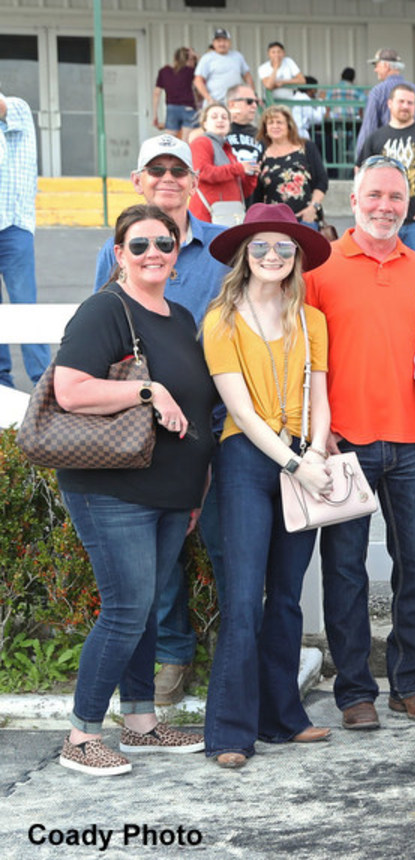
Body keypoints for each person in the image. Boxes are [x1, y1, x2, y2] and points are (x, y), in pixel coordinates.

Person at [55, 204, 216, 776]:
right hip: (112, 490)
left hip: (171, 493)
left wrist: (195, 488)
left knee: (145, 609)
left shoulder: (180, 316)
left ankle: (141, 723)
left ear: (177, 255)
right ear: (119, 254)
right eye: (140, 245)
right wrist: (148, 391)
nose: (154, 254)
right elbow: (71, 390)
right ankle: (81, 737)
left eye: (164, 244)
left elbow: (197, 405)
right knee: (125, 610)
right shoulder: (105, 310)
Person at [303, 157, 415, 731]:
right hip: (345, 443)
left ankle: (410, 683)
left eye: (396, 197)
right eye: (375, 195)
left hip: (413, 440)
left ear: (408, 204)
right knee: (345, 571)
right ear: (353, 199)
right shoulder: (320, 267)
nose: (385, 206)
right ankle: (354, 690)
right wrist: (321, 432)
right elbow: (303, 359)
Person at [93, 134, 230, 706]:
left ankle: (236, 659)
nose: (169, 177)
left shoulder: (223, 248)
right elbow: (103, 335)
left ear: (195, 181)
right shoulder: (116, 250)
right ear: (138, 179)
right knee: (159, 560)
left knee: (229, 548)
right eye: (157, 169)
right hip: (149, 432)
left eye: (179, 169)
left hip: (222, 425)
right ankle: (173, 655)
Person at [201, 203, 334, 769]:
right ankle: (230, 732)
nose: (272, 255)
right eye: (261, 246)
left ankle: (282, 717)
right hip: (247, 460)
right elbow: (240, 411)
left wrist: (317, 450)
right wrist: (295, 464)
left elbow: (320, 394)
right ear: (244, 254)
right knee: (243, 599)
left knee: (285, 596)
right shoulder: (221, 319)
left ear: (296, 256)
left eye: (284, 247)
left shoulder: (311, 318)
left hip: (304, 457)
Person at [356, 83, 415, 264]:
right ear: (390, 104)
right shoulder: (375, 138)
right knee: (382, 271)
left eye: (410, 103)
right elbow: (360, 174)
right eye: (401, 101)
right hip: (383, 221)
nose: (406, 106)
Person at [0, 89, 51, 389]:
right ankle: (1, 380)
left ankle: (43, 381)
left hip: (13, 224)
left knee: (25, 305)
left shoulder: (17, 107)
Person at [253, 106, 328, 229]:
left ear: (289, 126)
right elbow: (257, 193)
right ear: (265, 128)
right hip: (272, 222)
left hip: (304, 219)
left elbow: (322, 181)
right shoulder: (262, 153)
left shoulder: (306, 147)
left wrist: (313, 208)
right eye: (270, 123)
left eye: (279, 122)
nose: (275, 126)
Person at [188, 102, 258, 224]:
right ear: (205, 124)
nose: (220, 120)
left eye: (224, 117)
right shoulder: (201, 143)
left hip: (228, 217)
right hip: (206, 217)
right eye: (214, 117)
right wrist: (239, 168)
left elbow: (242, 191)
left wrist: (251, 175)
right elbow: (203, 173)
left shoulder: (228, 149)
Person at [356, 48, 415, 160]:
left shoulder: (377, 92)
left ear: (386, 65)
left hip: (389, 156)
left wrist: (361, 158)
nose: (375, 70)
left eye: (376, 65)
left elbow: (369, 129)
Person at [193, 28, 253, 106]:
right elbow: (198, 81)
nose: (222, 44)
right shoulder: (206, 58)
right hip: (215, 103)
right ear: (213, 43)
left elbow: (247, 76)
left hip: (235, 102)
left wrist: (251, 95)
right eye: (218, 41)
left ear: (230, 42)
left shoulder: (238, 56)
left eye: (225, 41)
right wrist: (209, 98)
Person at [153, 48, 199, 139]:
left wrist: (155, 115)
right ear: (189, 60)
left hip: (172, 109)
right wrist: (196, 55)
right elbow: (204, 67)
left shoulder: (164, 71)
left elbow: (156, 94)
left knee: (170, 141)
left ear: (175, 58)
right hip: (188, 108)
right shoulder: (191, 71)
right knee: (187, 141)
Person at [225, 85, 264, 167]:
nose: (255, 106)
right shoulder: (218, 129)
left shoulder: (260, 134)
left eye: (256, 102)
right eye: (249, 101)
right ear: (232, 104)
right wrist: (226, 118)